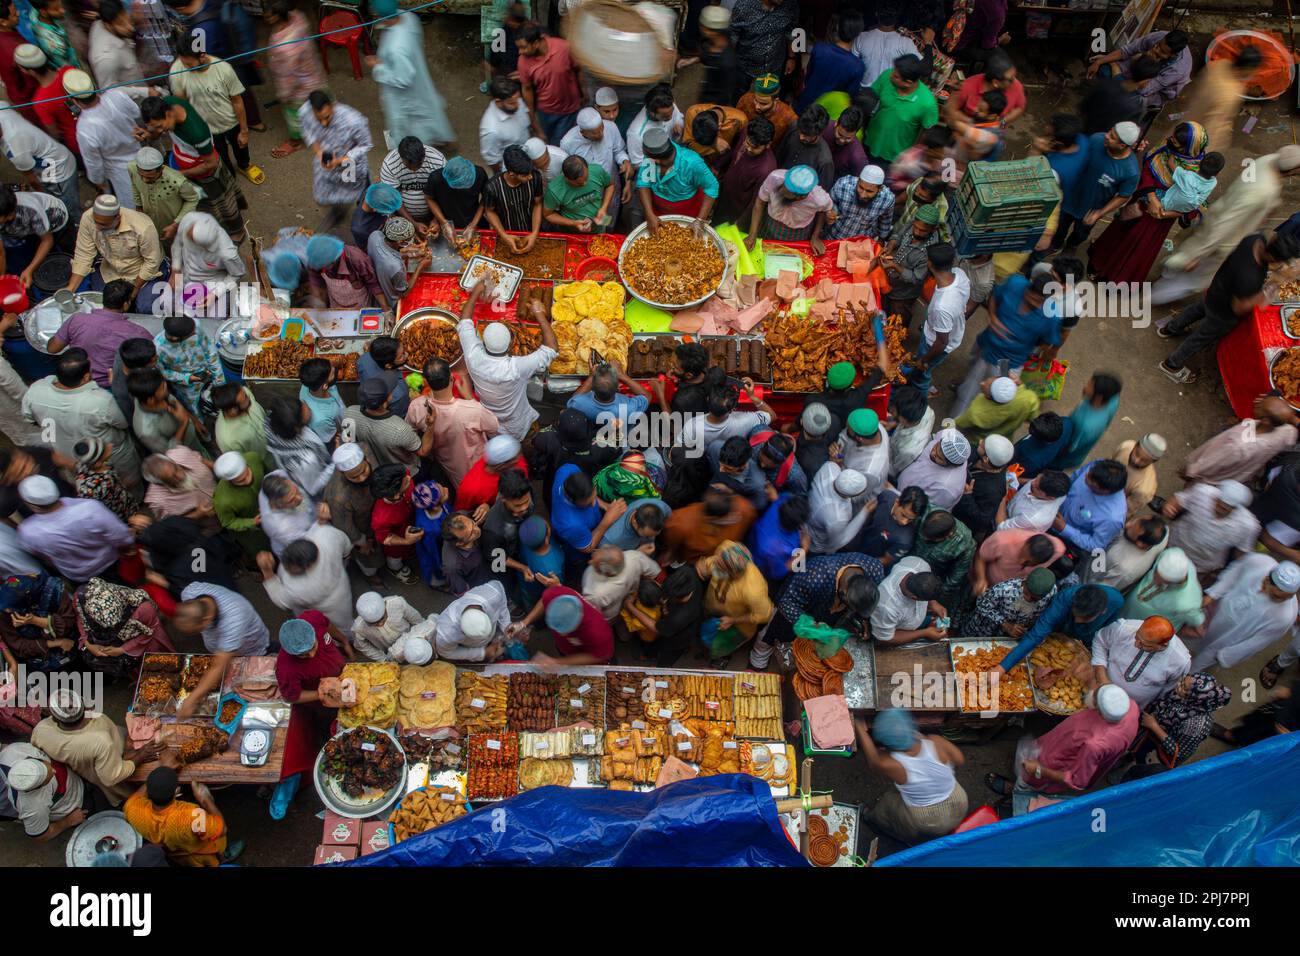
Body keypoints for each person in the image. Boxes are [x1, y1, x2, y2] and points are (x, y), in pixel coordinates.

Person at [1153, 145, 1300, 306]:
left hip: (1218, 215)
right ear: (1293, 170)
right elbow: (1227, 222)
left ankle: (1167, 273)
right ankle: (1151, 296)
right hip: (1220, 240)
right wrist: (1198, 254)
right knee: (1188, 277)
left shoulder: (1268, 160)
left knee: (1182, 259)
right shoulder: (1262, 191)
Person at [1160, 231, 1300, 384]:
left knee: (1197, 309)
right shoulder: (1251, 277)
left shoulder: (1254, 239)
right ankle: (1172, 364)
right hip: (1223, 313)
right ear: (1274, 259)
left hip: (1216, 289)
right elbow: (1239, 308)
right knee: (1200, 337)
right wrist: (1272, 285)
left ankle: (1169, 329)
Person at [1088, 123, 1212, 286]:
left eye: (1175, 141)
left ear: (1188, 147)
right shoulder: (1166, 149)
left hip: (1158, 219)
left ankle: (1116, 279)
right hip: (1142, 204)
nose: (1170, 140)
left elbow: (1195, 203)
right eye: (1173, 136)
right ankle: (1100, 263)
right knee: (1121, 231)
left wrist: (1165, 213)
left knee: (1137, 245)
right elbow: (1149, 168)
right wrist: (1152, 198)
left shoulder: (1199, 170)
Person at [986, 683, 1137, 814]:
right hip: (1058, 741)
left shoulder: (1095, 744)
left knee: (1030, 780)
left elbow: (1077, 781)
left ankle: (1017, 793)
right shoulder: (1130, 706)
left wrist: (1039, 770)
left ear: (1099, 711)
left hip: (1057, 762)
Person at [22, 348, 138, 494]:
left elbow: (29, 418)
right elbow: (122, 423)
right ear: (84, 378)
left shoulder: (35, 391)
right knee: (126, 487)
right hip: (110, 457)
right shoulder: (100, 400)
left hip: (69, 457)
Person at [138, 93, 247, 243]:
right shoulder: (168, 104)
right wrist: (149, 134)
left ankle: (237, 232)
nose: (159, 131)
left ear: (168, 114)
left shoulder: (197, 133)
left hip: (207, 175)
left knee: (223, 204)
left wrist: (179, 174)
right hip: (183, 165)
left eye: (159, 127)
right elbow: (157, 130)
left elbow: (211, 164)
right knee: (204, 205)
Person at [951, 272, 1060, 419]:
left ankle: (961, 422)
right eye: (1031, 298)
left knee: (994, 394)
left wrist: (1028, 349)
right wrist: (993, 318)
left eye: (1039, 301)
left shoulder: (1052, 315)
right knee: (972, 370)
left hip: (1006, 362)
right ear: (1028, 287)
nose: (1034, 303)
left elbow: (1047, 343)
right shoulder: (1014, 284)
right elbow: (994, 297)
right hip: (985, 343)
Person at [458, 283, 559, 441]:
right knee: (523, 438)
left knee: (495, 439)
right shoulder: (515, 367)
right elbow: (552, 348)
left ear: (483, 342)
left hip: (489, 419)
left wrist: (475, 293)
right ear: (510, 344)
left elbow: (464, 322)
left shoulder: (473, 357)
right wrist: (539, 314)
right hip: (516, 422)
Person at [31, 688, 156, 808]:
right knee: (132, 787)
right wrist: (141, 755)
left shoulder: (41, 730)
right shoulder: (100, 742)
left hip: (108, 746)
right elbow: (112, 777)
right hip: (115, 764)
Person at [855, 711, 967, 844]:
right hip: (959, 802)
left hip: (928, 819)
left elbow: (874, 761)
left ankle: (872, 820)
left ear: (885, 746)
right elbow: (960, 760)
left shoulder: (893, 764)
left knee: (888, 803)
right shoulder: (936, 742)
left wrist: (859, 726)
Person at [168, 35, 259, 184]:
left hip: (231, 122)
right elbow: (182, 104)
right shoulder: (177, 70)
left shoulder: (223, 69)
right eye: (183, 63)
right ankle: (229, 176)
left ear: (202, 56)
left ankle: (244, 165)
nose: (185, 68)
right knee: (220, 157)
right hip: (207, 130)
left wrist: (244, 130)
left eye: (190, 65)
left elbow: (237, 101)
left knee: (241, 147)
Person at [170, 582, 270, 716]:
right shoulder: (190, 592)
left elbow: (219, 665)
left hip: (249, 648)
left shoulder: (234, 619)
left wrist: (192, 699)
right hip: (222, 647)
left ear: (206, 620)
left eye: (197, 630)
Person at [367, 0, 453, 147]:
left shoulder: (397, 48)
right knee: (428, 109)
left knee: (404, 122)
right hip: (418, 77)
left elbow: (402, 79)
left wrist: (378, 67)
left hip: (403, 93)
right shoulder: (408, 17)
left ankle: (409, 153)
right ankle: (442, 137)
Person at [16, 476, 133, 582]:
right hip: (113, 563)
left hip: (80, 578)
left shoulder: (28, 532)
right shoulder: (90, 509)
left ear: (32, 505)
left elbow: (44, 557)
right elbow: (123, 537)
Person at [124, 759, 236, 866]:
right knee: (216, 844)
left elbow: (140, 793)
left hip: (176, 853)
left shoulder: (132, 808)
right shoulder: (191, 815)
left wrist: (163, 769)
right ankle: (224, 856)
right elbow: (222, 829)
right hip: (200, 851)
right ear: (176, 791)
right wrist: (205, 799)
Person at [64, 195, 164, 313]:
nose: (97, 227)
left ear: (117, 217)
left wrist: (132, 293)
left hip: (142, 273)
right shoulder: (88, 218)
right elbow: (83, 254)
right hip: (110, 270)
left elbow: (152, 263)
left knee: (145, 308)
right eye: (96, 222)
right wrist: (70, 289)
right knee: (101, 305)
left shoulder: (143, 227)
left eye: (103, 225)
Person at [1052, 122, 1140, 256]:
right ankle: (1055, 244)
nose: (1106, 136)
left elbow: (1123, 196)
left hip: (1091, 209)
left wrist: (1100, 213)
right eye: (1110, 131)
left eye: (1112, 137)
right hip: (1069, 196)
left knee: (1080, 233)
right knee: (1059, 225)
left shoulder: (1130, 171)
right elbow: (1078, 156)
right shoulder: (1096, 139)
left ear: (1122, 145)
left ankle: (1071, 246)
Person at [1121, 673, 1231, 778]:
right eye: (1183, 680)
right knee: (1136, 749)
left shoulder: (1196, 725)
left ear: (1196, 697)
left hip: (1159, 749)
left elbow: (1177, 751)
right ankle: (1129, 757)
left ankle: (1130, 771)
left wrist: (1154, 726)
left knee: (1143, 766)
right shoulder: (1184, 697)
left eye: (1184, 687)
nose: (1179, 684)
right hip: (1150, 733)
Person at [998, 582, 1124, 672]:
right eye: (1075, 615)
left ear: (1102, 612)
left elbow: (1105, 633)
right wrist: (1002, 667)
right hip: (1061, 632)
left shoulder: (1116, 601)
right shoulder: (1064, 599)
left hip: (1087, 639)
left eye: (1084, 619)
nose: (1077, 621)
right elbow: (1036, 635)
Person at [259, 523, 355, 635]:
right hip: (341, 590)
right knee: (345, 623)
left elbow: (282, 600)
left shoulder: (300, 588)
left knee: (338, 627)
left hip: (329, 607)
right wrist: (345, 558)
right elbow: (345, 544)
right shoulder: (325, 534)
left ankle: (347, 641)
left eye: (291, 568)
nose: (286, 568)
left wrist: (267, 571)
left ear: (309, 566)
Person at [299, 90, 372, 235]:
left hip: (348, 164)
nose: (324, 123)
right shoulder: (305, 112)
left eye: (327, 117)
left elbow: (365, 145)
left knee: (354, 191)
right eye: (318, 119)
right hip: (325, 160)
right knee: (322, 196)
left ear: (333, 106)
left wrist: (340, 160)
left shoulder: (353, 121)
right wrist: (319, 153)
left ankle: (364, 218)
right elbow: (308, 132)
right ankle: (339, 209)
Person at [1183, 394, 1298, 485]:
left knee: (1188, 495)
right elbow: (1292, 432)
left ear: (1266, 421)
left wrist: (1191, 471)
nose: (1257, 401)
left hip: (1212, 478)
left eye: (1261, 405)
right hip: (1240, 475)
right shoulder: (1287, 431)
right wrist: (1286, 413)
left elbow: (1213, 463)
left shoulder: (1239, 445)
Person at [1164, 44, 1260, 152]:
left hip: (1192, 114)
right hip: (1197, 135)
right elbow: (1214, 126)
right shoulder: (1231, 92)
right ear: (1247, 69)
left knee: (1170, 143)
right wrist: (1209, 151)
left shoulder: (1219, 65)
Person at [262, 0, 326, 159]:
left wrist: (285, 95)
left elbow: (289, 76)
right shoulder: (298, 18)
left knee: (294, 116)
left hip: (298, 88)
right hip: (315, 75)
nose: (265, 17)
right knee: (323, 104)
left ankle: (295, 142)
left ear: (277, 16)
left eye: (269, 15)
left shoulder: (285, 47)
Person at [73, 576, 173, 675]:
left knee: (161, 664)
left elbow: (150, 631)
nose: (110, 629)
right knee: (142, 673)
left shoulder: (143, 608)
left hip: (145, 642)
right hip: (118, 645)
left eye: (114, 625)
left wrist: (123, 649)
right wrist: (88, 644)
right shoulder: (81, 597)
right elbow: (80, 618)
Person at [0, 741, 95, 843]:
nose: (54, 771)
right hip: (75, 806)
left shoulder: (13, 750)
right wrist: (68, 821)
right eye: (47, 778)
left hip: (74, 781)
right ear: (38, 787)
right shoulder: (33, 807)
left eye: (43, 764)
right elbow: (40, 836)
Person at [1162, 479, 1259, 577]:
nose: (1219, 507)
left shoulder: (1248, 526)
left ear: (1236, 508)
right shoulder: (1202, 491)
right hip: (1173, 543)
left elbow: (1241, 553)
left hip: (1199, 565)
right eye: (1218, 502)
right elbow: (1180, 499)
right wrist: (1170, 506)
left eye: (1225, 508)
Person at [1091, 615, 1192, 708]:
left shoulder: (1180, 661)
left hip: (1132, 708)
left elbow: (1168, 690)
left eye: (1145, 644)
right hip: (1097, 687)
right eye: (1136, 637)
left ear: (1163, 645)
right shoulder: (1124, 628)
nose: (1136, 644)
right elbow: (1100, 641)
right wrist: (1102, 679)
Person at [911, 243, 971, 396]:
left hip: (934, 343)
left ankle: (922, 393)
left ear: (929, 263)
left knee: (922, 374)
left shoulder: (942, 306)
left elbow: (941, 342)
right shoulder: (960, 274)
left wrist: (924, 360)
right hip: (948, 330)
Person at [1086, 28, 1192, 114]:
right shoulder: (1159, 36)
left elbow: (1144, 90)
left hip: (1158, 92)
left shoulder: (1177, 70)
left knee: (1128, 101)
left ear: (1173, 55)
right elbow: (1127, 51)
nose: (1156, 50)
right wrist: (1099, 62)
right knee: (1104, 70)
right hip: (1142, 72)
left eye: (1162, 52)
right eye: (1158, 45)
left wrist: (1115, 71)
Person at [865, 54, 938, 165]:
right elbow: (871, 97)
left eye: (895, 76)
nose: (891, 75)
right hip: (869, 142)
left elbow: (926, 131)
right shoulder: (887, 76)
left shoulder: (927, 103)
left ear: (908, 82)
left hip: (895, 158)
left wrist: (913, 154)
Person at [637, 126, 718, 226]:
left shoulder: (692, 163)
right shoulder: (650, 157)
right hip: (658, 211)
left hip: (688, 212)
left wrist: (700, 220)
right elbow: (644, 183)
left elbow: (712, 186)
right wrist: (649, 213)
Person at [514, 23, 582, 143]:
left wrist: (584, 92)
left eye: (523, 47)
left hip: (569, 110)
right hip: (545, 112)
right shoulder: (523, 62)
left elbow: (578, 69)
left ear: (535, 44)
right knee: (546, 140)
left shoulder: (563, 48)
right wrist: (532, 118)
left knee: (559, 143)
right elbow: (527, 89)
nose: (520, 52)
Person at [660, 484, 757, 565]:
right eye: (729, 516)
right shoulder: (681, 523)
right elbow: (673, 548)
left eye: (733, 510)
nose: (736, 516)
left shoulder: (744, 509)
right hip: (697, 565)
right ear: (711, 518)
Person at [745, 165, 832, 254]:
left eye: (785, 193)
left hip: (797, 234)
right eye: (783, 185)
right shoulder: (775, 177)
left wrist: (815, 236)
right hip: (770, 225)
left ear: (801, 197)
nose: (781, 190)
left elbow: (824, 211)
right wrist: (752, 234)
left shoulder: (819, 199)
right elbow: (760, 203)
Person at [879, 203, 941, 320]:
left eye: (923, 231)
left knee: (897, 322)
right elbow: (898, 235)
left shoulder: (930, 253)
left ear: (934, 229)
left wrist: (895, 267)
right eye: (916, 228)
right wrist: (891, 245)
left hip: (903, 294)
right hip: (888, 281)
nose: (917, 232)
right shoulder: (912, 223)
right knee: (882, 311)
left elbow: (916, 278)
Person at [1120, 548, 1204, 634]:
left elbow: (1197, 623)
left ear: (1175, 582)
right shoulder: (1172, 555)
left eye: (1162, 580)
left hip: (1138, 628)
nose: (1155, 579)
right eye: (1156, 572)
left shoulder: (1187, 604)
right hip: (1124, 610)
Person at [264, 397, 334, 500]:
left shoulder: (273, 420)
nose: (307, 406)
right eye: (304, 408)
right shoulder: (304, 462)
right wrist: (335, 464)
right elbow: (313, 488)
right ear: (297, 427)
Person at [870, 554, 948, 645]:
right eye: (925, 600)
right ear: (914, 598)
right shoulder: (885, 607)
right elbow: (884, 639)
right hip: (898, 636)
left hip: (917, 622)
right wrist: (924, 633)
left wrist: (933, 603)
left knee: (942, 628)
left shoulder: (921, 564)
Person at [960, 567, 1057, 639]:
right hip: (989, 628)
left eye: (1035, 599)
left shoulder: (1051, 592)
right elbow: (982, 604)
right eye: (1026, 593)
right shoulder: (1004, 589)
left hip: (1013, 636)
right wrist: (1006, 624)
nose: (1028, 598)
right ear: (1025, 581)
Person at [155, 313, 225, 413]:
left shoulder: (194, 325)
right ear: (176, 338)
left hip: (208, 373)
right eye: (191, 334)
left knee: (218, 401)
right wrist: (186, 378)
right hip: (187, 387)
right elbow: (163, 372)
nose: (195, 333)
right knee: (195, 410)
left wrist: (219, 380)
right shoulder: (158, 348)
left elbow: (209, 350)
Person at [1079, 514, 1169, 592]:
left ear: (1141, 545)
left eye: (1130, 530)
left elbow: (1097, 590)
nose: (1127, 524)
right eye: (1134, 520)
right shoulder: (1163, 530)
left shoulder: (1124, 570)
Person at [129, 147, 201, 243]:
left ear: (162, 169)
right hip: (150, 221)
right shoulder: (132, 168)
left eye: (150, 177)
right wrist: (139, 207)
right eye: (141, 175)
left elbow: (192, 199)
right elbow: (135, 185)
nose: (144, 180)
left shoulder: (177, 181)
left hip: (173, 223)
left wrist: (175, 225)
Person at [1052, 373, 1122, 471]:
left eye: (1090, 386)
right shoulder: (1112, 399)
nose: (1085, 386)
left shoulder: (1086, 425)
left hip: (1065, 457)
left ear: (1099, 397)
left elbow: (1071, 447)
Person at [797, 10, 864, 113]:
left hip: (806, 104)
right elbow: (849, 96)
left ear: (837, 27)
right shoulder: (857, 66)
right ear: (858, 34)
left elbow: (808, 76)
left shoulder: (819, 48)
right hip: (827, 113)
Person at [304, 233, 390, 311]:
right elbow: (315, 279)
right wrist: (318, 299)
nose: (322, 269)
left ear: (334, 261)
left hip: (359, 304)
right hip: (336, 302)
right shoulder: (315, 259)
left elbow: (374, 285)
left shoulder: (357, 259)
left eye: (325, 266)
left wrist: (385, 309)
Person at [910, 510, 975, 610]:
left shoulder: (963, 543)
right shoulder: (924, 513)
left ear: (949, 535)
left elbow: (955, 578)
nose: (924, 538)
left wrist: (935, 598)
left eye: (931, 539)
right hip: (906, 562)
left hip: (929, 579)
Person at [432, 580, 511, 662]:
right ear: (462, 631)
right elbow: (446, 652)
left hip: (493, 633)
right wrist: (482, 653)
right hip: (470, 647)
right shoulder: (446, 633)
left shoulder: (493, 593)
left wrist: (506, 626)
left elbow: (502, 604)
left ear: (484, 612)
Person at [1079, 55, 1158, 135]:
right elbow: (1124, 132)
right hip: (1102, 140)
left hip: (1084, 128)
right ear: (1145, 81)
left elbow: (1084, 106)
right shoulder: (1135, 107)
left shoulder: (1107, 83)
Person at [380, 137, 445, 233]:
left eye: (419, 165)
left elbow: (443, 194)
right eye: (409, 166)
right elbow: (394, 198)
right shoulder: (390, 165)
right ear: (401, 158)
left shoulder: (438, 161)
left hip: (434, 212)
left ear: (424, 156)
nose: (414, 170)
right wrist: (413, 223)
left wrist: (437, 219)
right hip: (404, 215)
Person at [971, 529, 1063, 597]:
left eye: (1028, 563)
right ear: (1026, 543)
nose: (1021, 561)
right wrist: (981, 579)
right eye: (1022, 555)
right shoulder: (1002, 540)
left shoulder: (1058, 550)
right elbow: (980, 556)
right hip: (985, 583)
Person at [897, 428, 971, 512]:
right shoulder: (950, 435)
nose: (933, 453)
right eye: (936, 447)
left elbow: (924, 508)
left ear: (951, 465)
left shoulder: (945, 489)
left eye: (939, 458)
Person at [211, 450, 269, 556]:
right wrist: (252, 522)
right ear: (229, 481)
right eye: (240, 481)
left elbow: (268, 474)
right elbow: (228, 522)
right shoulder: (222, 501)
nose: (247, 480)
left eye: (247, 473)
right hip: (256, 532)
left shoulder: (253, 458)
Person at [454, 433, 528, 513]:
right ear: (500, 465)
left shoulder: (515, 462)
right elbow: (461, 514)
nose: (519, 458)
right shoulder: (471, 489)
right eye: (515, 459)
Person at [142, 448, 215, 526]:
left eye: (176, 469)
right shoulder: (158, 502)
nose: (180, 476)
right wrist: (197, 514)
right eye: (172, 479)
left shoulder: (181, 453)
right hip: (211, 525)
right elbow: (171, 526)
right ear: (161, 484)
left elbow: (202, 460)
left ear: (172, 461)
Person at [425, 156, 488, 245]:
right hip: (448, 217)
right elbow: (429, 198)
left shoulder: (479, 173)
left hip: (474, 217)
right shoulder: (436, 178)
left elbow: (486, 198)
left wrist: (473, 224)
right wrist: (444, 223)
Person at [543, 155, 614, 234]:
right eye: (579, 183)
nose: (584, 183)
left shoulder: (597, 170)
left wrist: (604, 208)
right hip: (572, 233)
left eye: (586, 178)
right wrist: (573, 223)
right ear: (566, 178)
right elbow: (548, 215)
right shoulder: (554, 190)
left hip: (599, 227)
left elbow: (610, 185)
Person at [351, 591, 425, 662]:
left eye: (382, 618)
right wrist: (382, 659)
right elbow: (362, 645)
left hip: (414, 643)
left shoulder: (398, 603)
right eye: (374, 623)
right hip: (390, 654)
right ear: (364, 620)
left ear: (385, 605)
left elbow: (418, 621)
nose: (380, 624)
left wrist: (420, 640)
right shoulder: (359, 628)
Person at [826, 163, 893, 242]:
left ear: (880, 189)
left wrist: (881, 240)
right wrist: (831, 213)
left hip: (860, 244)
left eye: (869, 191)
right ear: (858, 180)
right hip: (834, 236)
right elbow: (830, 202)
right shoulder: (843, 185)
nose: (862, 195)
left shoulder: (886, 199)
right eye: (861, 187)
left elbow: (885, 222)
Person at [479, 75, 533, 172]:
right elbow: (493, 161)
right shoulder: (491, 130)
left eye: (518, 99)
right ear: (498, 101)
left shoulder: (514, 99)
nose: (518, 104)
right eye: (512, 103)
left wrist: (538, 131)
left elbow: (526, 111)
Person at [777, 106, 835, 190]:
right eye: (801, 132)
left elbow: (820, 193)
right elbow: (780, 154)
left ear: (820, 133)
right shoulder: (794, 127)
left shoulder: (824, 161)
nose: (801, 137)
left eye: (806, 135)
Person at [995, 468, 1069, 534]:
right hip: (1007, 507)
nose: (1032, 483)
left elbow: (1001, 528)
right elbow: (1030, 481)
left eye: (1037, 487)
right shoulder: (1055, 490)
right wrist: (1012, 480)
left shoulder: (1031, 518)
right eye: (1036, 478)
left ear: (1050, 498)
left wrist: (1002, 493)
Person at [736, 73, 797, 149]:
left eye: (763, 104)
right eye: (755, 100)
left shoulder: (789, 118)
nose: (757, 106)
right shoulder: (745, 100)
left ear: (775, 100)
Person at [1111, 434, 1165, 517]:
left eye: (1144, 460)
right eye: (1137, 453)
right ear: (1135, 445)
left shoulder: (1145, 489)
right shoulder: (1126, 446)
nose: (1136, 460)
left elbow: (1124, 511)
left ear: (1153, 461)